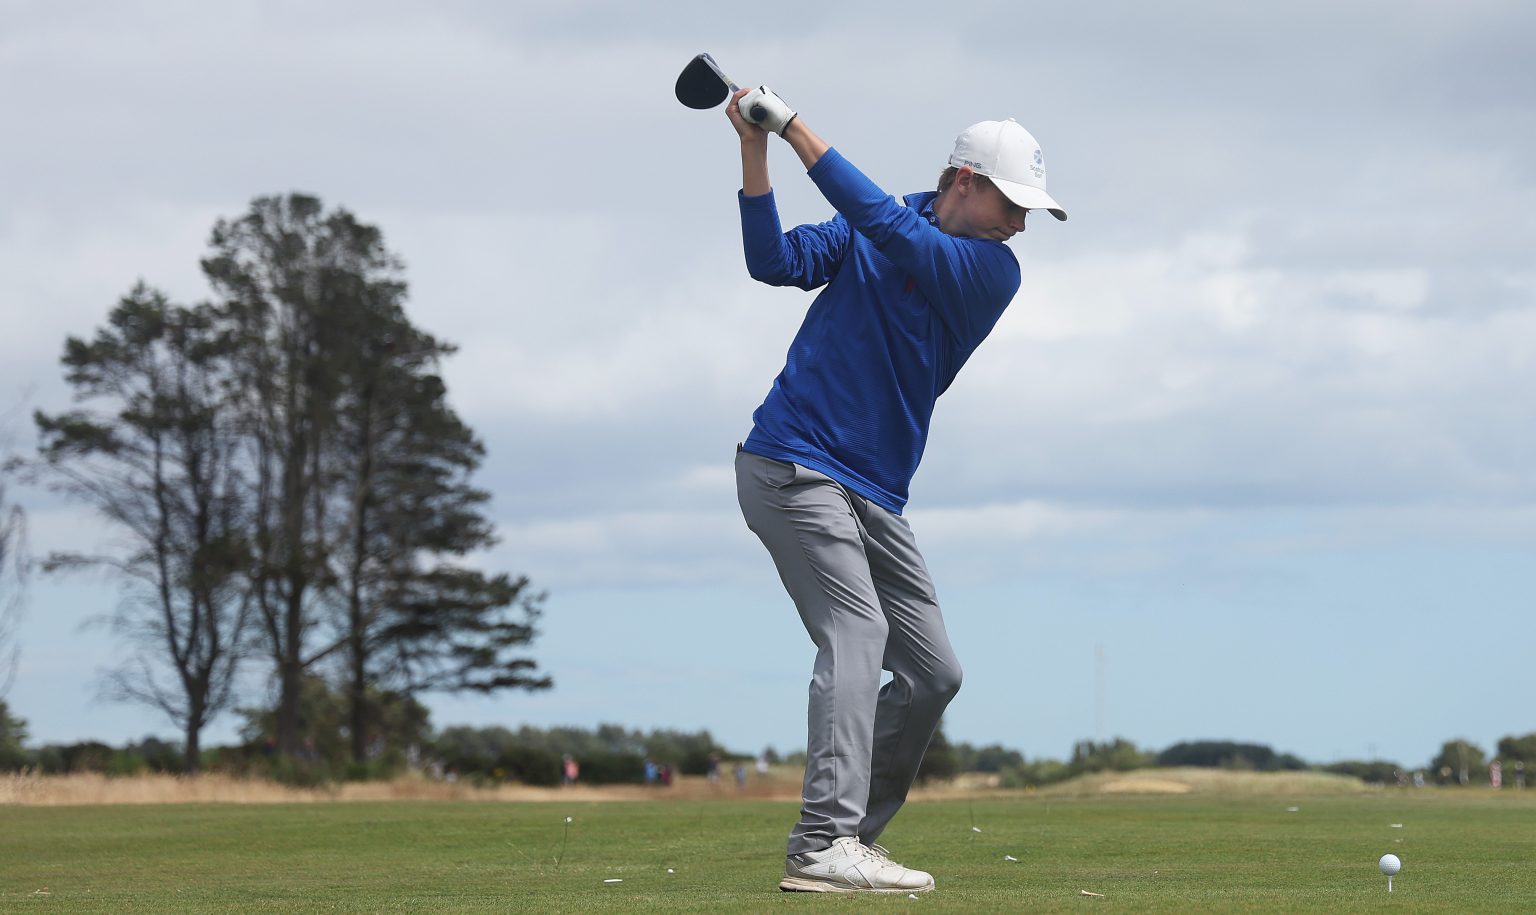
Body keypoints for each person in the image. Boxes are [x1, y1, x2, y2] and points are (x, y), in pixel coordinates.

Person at [725, 83, 1067, 895]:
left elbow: (886, 225)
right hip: (792, 462)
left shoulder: (991, 270)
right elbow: (774, 263)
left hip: (874, 492)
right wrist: (754, 148)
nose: (1022, 223)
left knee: (934, 670)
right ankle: (821, 842)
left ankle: (851, 839)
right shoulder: (878, 222)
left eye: (1028, 208)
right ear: (963, 180)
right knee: (856, 630)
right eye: (1011, 201)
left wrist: (797, 126)